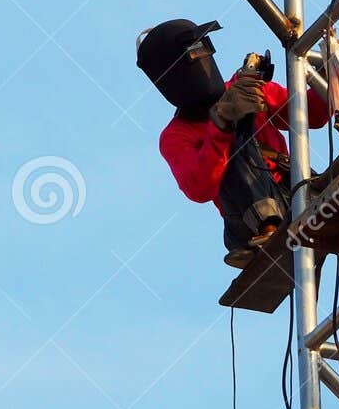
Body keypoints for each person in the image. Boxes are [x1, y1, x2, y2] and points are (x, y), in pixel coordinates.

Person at [136, 18, 328, 267]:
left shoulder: (244, 88)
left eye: (203, 49)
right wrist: (222, 124)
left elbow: (309, 113)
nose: (202, 59)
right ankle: (268, 226)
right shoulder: (177, 135)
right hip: (246, 224)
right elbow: (199, 188)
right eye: (194, 52)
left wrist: (329, 76)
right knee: (233, 138)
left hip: (296, 193)